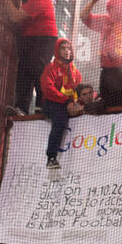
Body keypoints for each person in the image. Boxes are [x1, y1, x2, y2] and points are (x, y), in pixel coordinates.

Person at [80, 0, 122, 107]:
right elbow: (83, 17)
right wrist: (93, 1)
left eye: (117, 7)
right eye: (111, 7)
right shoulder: (104, 20)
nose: (114, 10)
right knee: (106, 104)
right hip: (107, 70)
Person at [39, 38, 83, 169]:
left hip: (68, 103)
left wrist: (79, 103)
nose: (67, 51)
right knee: (60, 119)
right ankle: (51, 157)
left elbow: (79, 89)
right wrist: (66, 101)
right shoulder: (51, 68)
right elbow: (47, 89)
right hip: (52, 103)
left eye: (69, 48)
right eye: (63, 48)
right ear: (57, 51)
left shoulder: (75, 71)